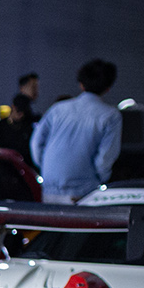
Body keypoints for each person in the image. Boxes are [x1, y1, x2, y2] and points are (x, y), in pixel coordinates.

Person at [30, 58, 122, 202]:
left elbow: (36, 143)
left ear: (81, 84)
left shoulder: (57, 109)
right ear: (108, 87)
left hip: (49, 187)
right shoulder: (110, 115)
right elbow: (105, 157)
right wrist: (98, 178)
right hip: (83, 189)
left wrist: (47, 167)